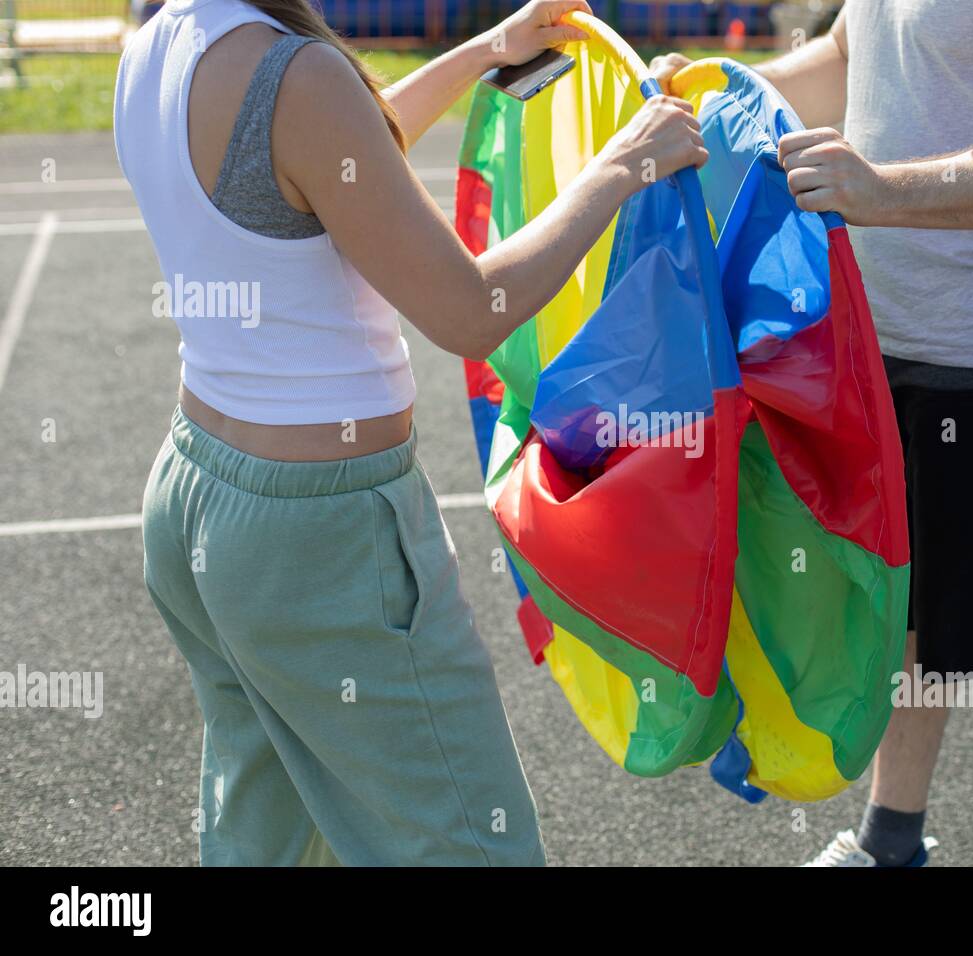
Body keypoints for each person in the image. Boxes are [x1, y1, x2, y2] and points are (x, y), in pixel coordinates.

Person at [115, 0, 707, 865]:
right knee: (473, 845)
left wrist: (484, 53)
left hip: (197, 502)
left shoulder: (156, 44)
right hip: (322, 539)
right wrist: (622, 165)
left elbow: (342, 161)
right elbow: (472, 311)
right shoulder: (299, 79)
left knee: (264, 842)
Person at [654, 0, 973, 866]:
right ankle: (891, 840)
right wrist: (710, 92)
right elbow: (851, 56)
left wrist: (882, 191)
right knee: (906, 619)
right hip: (872, 342)